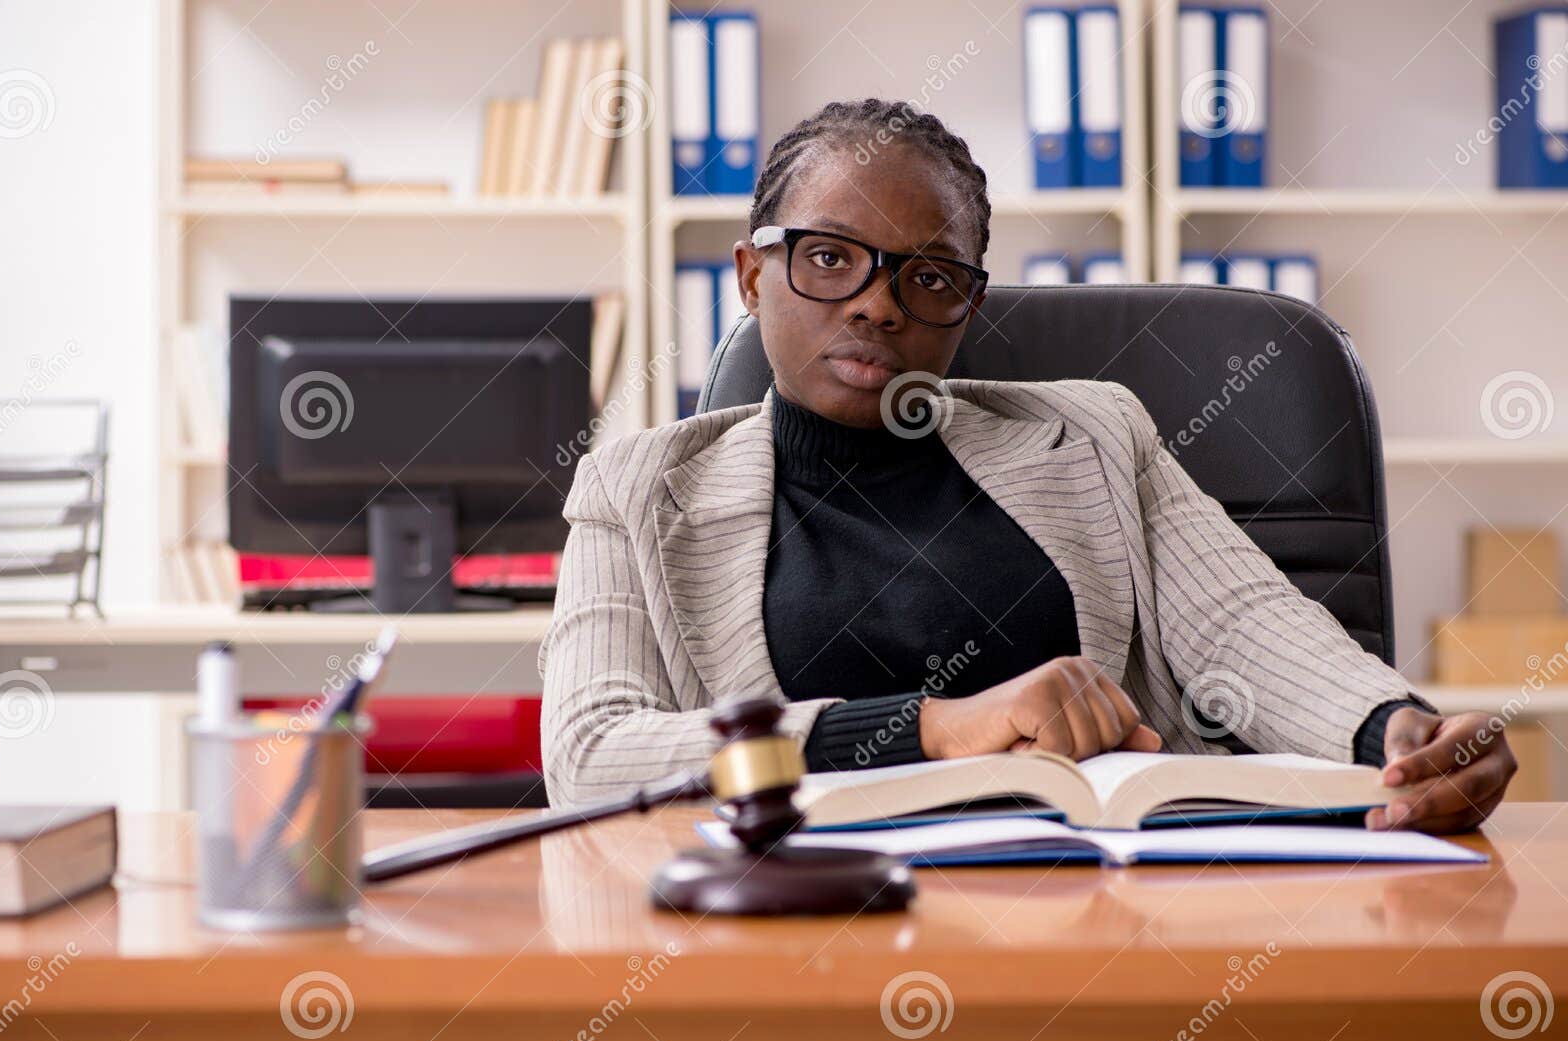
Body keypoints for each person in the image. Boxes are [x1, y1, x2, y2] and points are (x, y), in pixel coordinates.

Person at [538, 98, 1515, 833]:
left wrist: (1392, 729)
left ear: (968, 302)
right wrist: (934, 727)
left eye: (926, 276)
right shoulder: (637, 487)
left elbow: (1245, 627)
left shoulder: (1093, 436)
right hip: (810, 925)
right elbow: (588, 756)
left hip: (1107, 916)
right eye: (830, 257)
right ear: (753, 276)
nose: (878, 305)